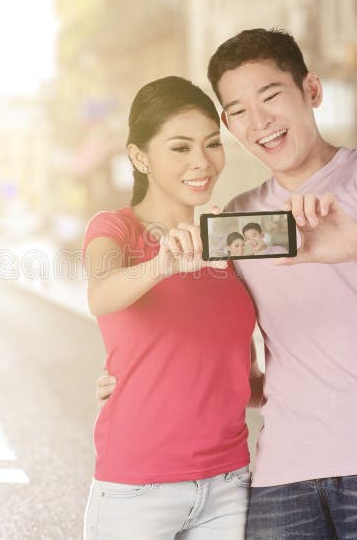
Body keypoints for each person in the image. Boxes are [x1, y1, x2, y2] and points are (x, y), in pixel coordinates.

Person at [97, 29, 357, 538]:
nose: (259, 122)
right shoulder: (237, 221)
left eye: (271, 96)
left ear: (311, 90)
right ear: (228, 123)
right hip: (282, 475)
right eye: (238, 110)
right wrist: (130, 375)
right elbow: (210, 332)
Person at [82, 76, 257, 539]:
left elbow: (243, 377)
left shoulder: (232, 242)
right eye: (180, 147)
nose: (202, 162)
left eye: (212, 144)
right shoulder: (114, 228)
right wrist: (164, 263)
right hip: (136, 488)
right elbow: (102, 293)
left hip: (227, 484)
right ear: (140, 157)